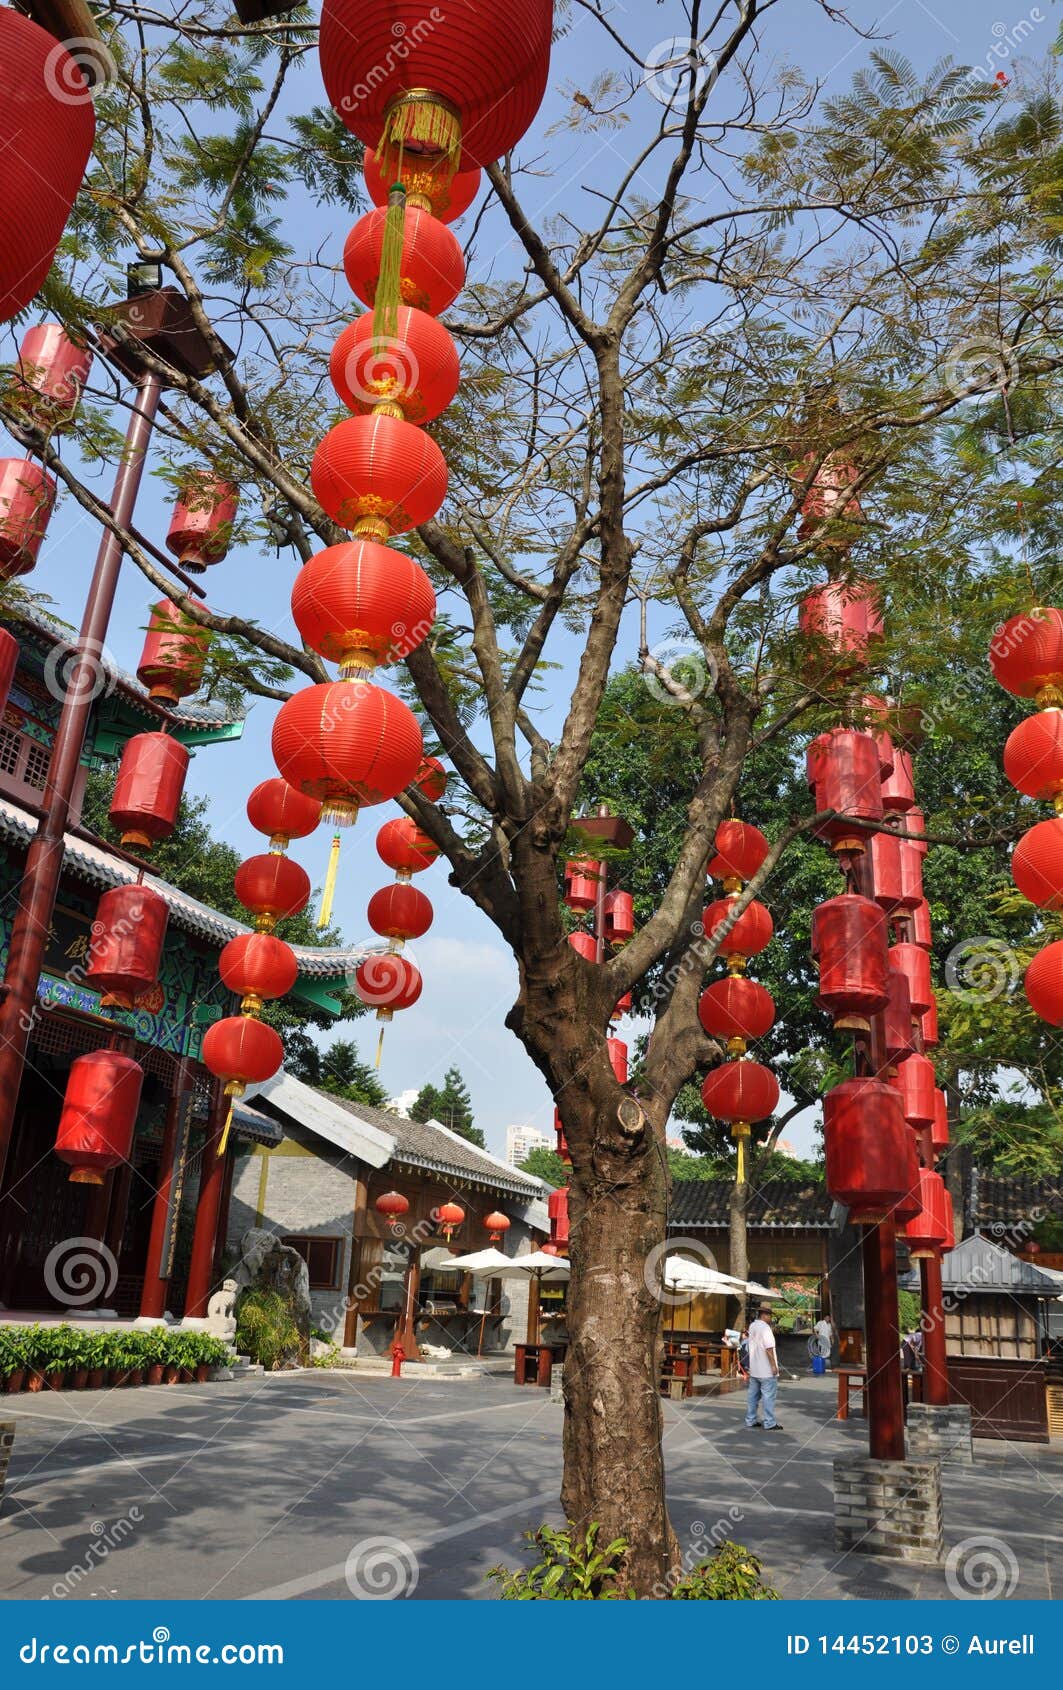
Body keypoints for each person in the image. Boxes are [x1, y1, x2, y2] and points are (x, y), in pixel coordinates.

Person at [745, 1304, 782, 1430]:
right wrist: (773, 1365)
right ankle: (769, 1422)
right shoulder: (766, 1328)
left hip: (755, 1368)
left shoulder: (752, 1326)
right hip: (766, 1370)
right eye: (770, 1315)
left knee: (752, 1396)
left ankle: (750, 1420)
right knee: (768, 1397)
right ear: (764, 1315)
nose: (770, 1318)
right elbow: (769, 1348)